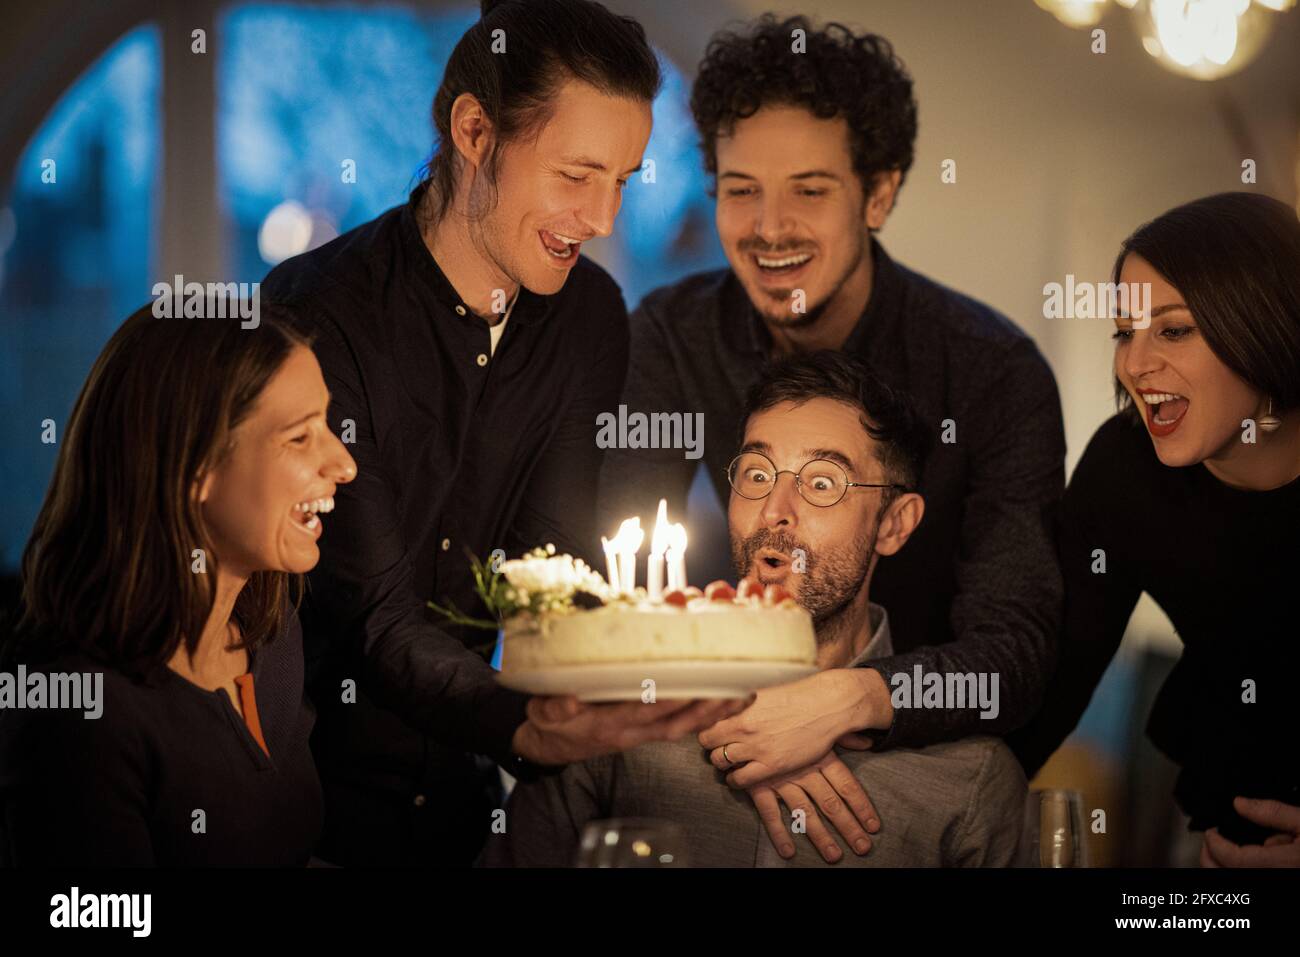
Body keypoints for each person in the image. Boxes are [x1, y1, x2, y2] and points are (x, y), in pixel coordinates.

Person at [259, 0, 743, 866]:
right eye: (576, 174)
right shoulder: (318, 311)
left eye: (623, 180)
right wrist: (524, 723)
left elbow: (543, 571)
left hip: (469, 809)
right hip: (306, 810)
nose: (602, 218)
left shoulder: (589, 317)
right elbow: (375, 614)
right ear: (476, 132)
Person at [598, 14, 1064, 857]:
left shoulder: (994, 372)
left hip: (917, 779)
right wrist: (755, 717)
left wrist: (843, 704)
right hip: (714, 747)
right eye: (742, 189)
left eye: (809, 190)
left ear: (879, 193)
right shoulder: (669, 335)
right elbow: (621, 588)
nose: (769, 227)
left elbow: (1015, 653)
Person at [488, 352, 1029, 867]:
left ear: (894, 524)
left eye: (822, 483)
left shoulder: (971, 780)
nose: (775, 510)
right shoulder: (619, 723)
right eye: (757, 474)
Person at [0, 304, 354, 865]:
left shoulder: (270, 634)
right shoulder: (82, 717)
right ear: (196, 469)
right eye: (299, 437)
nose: (343, 462)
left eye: (328, 424)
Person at [1008, 192, 1300, 868]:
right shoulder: (1125, 466)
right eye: (1124, 332)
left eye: (1172, 329)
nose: (1135, 365)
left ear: (1264, 320)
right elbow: (1052, 679)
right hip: (1215, 827)